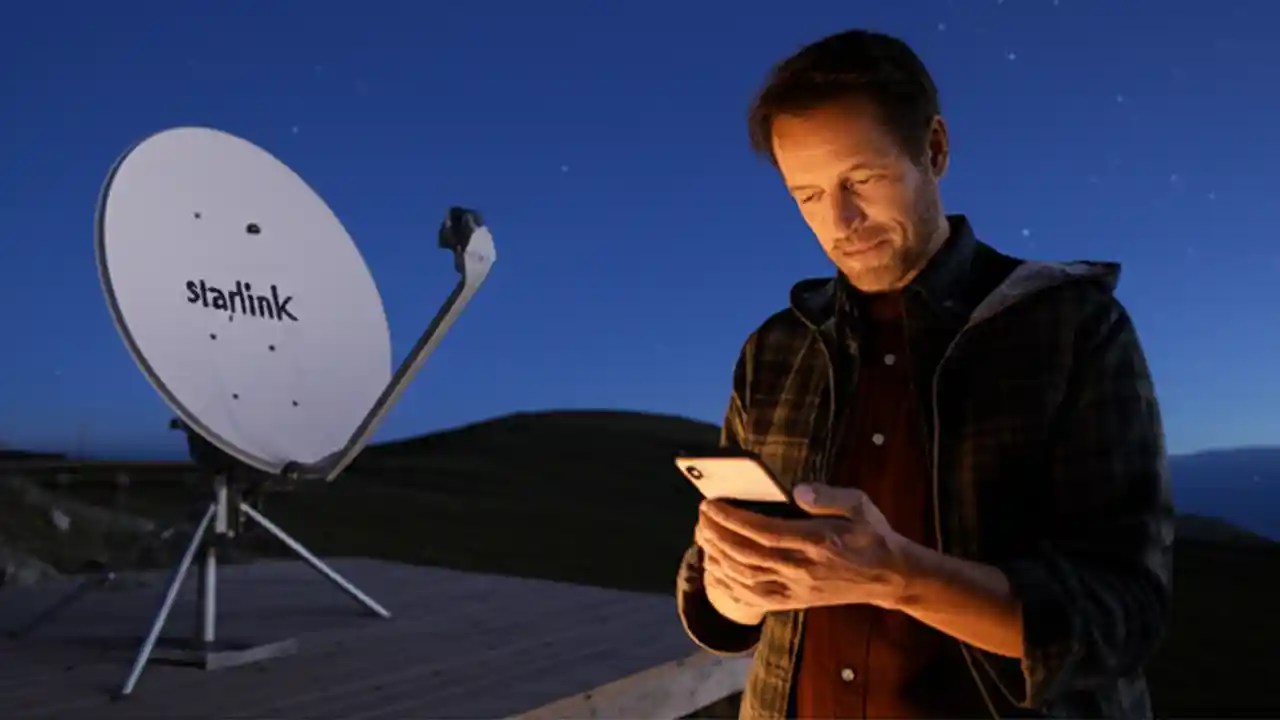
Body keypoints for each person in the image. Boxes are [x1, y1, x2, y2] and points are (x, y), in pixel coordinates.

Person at [676, 28, 1175, 720]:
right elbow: (717, 597)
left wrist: (898, 577)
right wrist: (735, 589)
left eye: (862, 180)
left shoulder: (1071, 328)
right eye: (808, 195)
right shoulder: (776, 349)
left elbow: (1126, 615)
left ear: (934, 150)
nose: (841, 221)